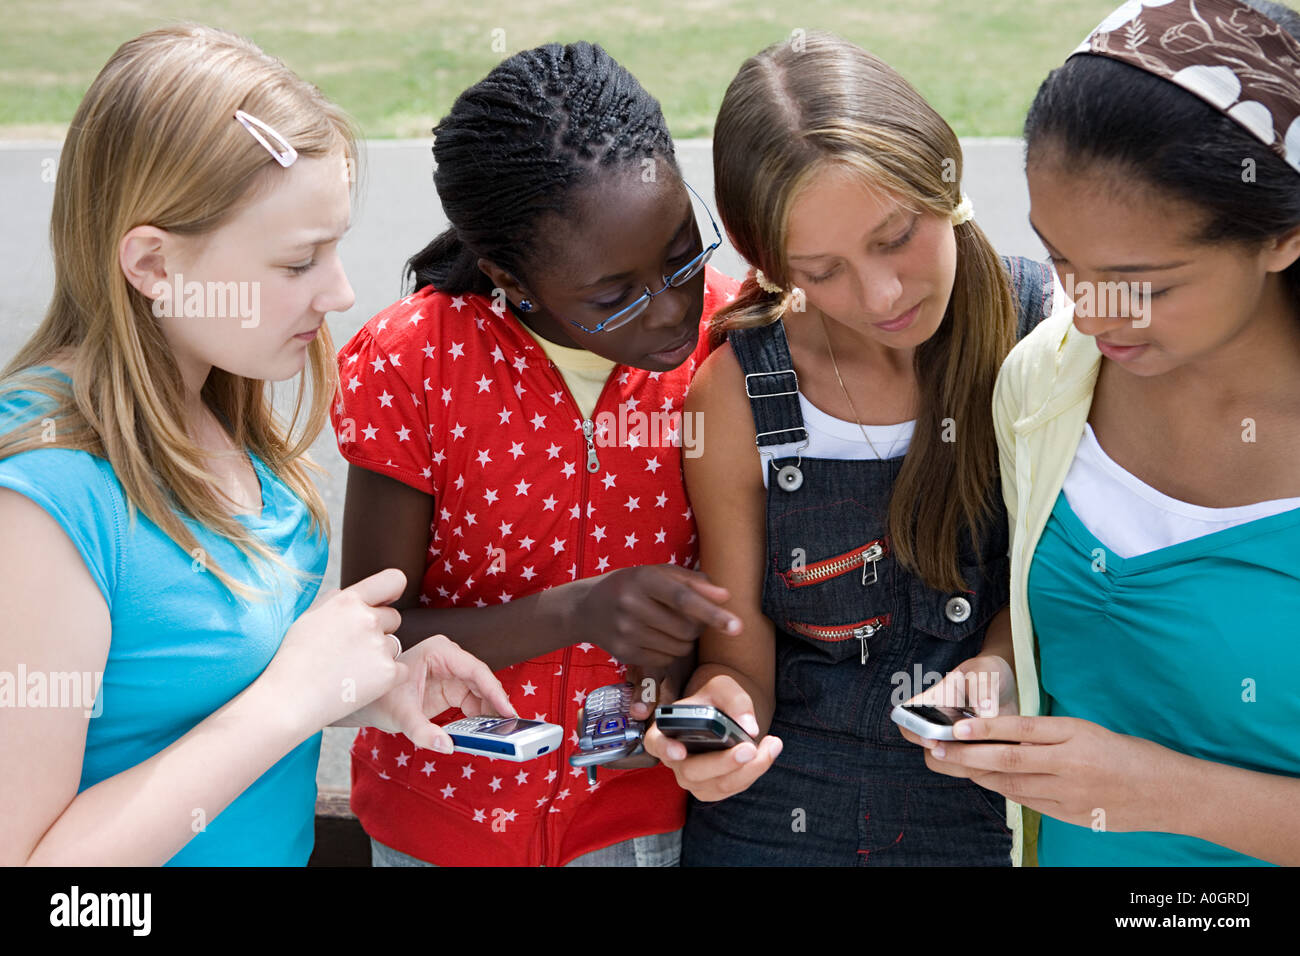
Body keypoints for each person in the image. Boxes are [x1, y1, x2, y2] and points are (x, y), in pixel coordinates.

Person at [0, 23, 512, 867]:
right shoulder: (43, 502)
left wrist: (361, 688)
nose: (340, 292)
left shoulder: (222, 410)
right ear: (154, 264)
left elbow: (183, 693)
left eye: (336, 248)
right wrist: (289, 699)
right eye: (298, 262)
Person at [640, 31, 1054, 865]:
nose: (882, 294)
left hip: (961, 811)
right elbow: (738, 643)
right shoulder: (735, 389)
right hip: (766, 815)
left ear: (946, 174)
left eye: (896, 235)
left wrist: (998, 669)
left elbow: (1057, 576)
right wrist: (720, 724)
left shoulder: (1039, 333)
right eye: (820, 271)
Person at [330, 41, 743, 867]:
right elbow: (376, 636)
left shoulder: (732, 344)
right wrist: (575, 613)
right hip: (438, 821)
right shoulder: (416, 363)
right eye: (613, 297)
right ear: (510, 278)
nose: (669, 312)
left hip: (641, 825)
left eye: (682, 256)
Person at [907, 0, 1300, 866]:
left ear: (1282, 236)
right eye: (1061, 259)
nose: (1088, 315)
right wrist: (998, 671)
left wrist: (1165, 794)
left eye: (1143, 283)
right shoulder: (1046, 382)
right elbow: (1062, 614)